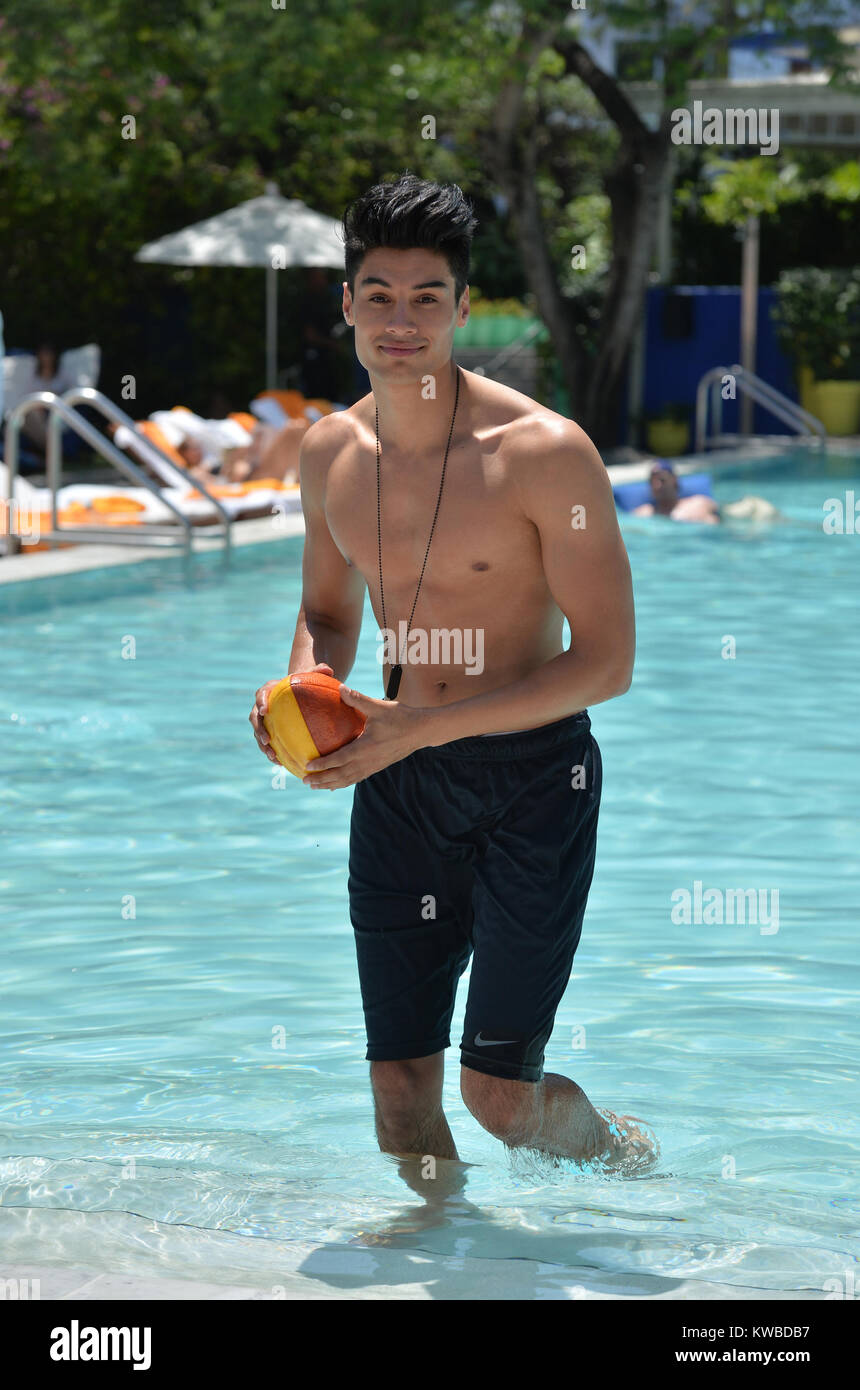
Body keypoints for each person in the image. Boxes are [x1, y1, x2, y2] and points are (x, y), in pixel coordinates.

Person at [249, 173, 657, 1175]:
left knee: (500, 1098)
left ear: (463, 308)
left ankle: (623, 1163)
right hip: (396, 785)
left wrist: (410, 728)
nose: (399, 320)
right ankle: (446, 1271)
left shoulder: (542, 454)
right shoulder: (329, 450)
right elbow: (329, 610)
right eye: (377, 294)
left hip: (532, 781)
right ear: (344, 302)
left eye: (426, 296)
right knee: (396, 1099)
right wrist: (302, 693)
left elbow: (606, 662)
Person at [19, 342, 75, 453]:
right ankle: (52, 450)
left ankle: (49, 452)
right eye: (44, 354)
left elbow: (71, 394)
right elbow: (28, 397)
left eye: (49, 354)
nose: (46, 357)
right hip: (37, 414)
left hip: (55, 412)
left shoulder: (62, 374)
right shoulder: (34, 375)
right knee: (23, 419)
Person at [632, 461, 721, 523]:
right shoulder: (642, 514)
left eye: (662, 480)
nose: (657, 486)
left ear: (674, 480)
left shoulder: (700, 504)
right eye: (652, 482)